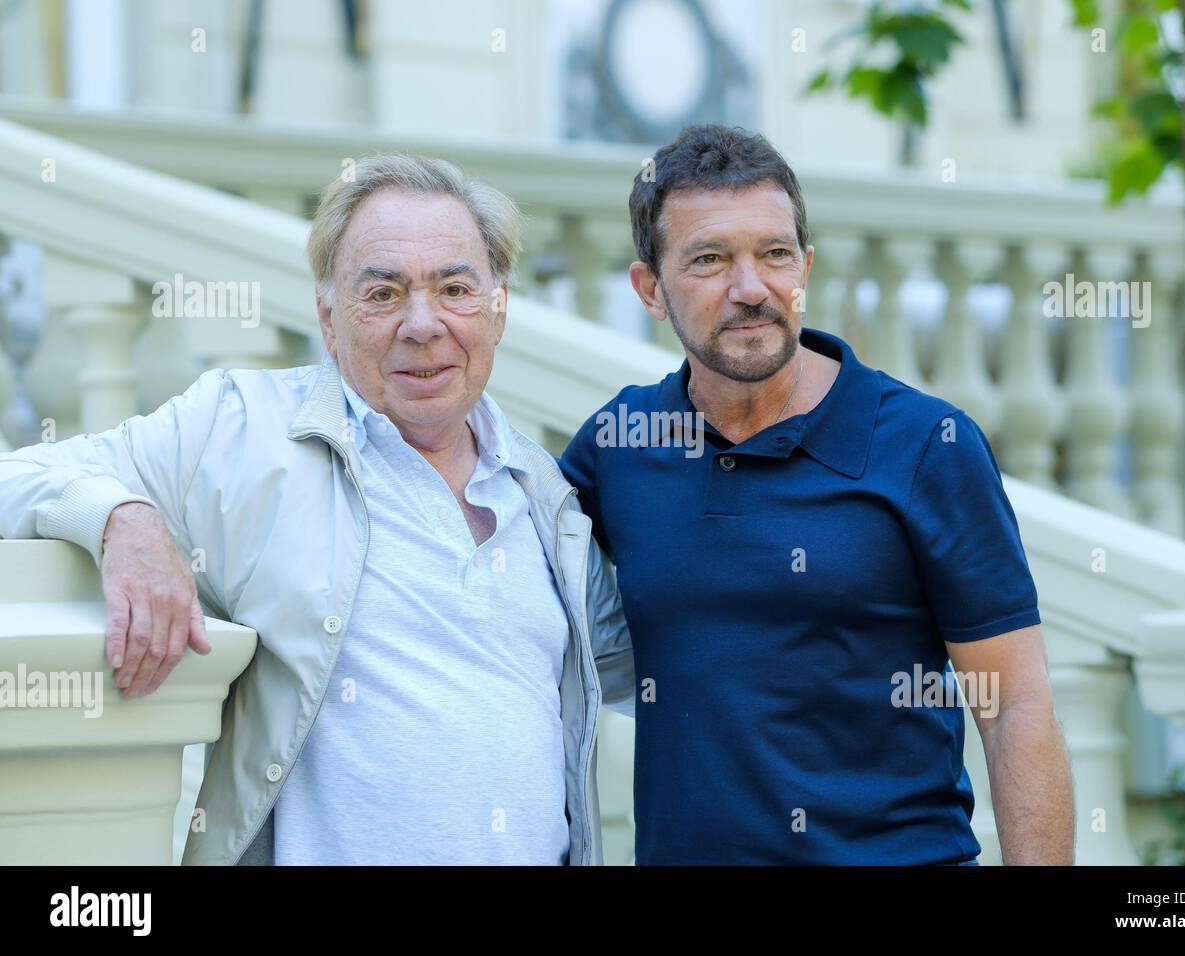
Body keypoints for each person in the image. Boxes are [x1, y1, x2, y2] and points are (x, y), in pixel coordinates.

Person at [0, 154, 633, 865]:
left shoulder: (542, 492)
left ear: (498, 308)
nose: (422, 324)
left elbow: (644, 666)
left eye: (454, 288)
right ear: (330, 321)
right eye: (384, 294)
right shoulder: (241, 431)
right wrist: (123, 520)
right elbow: (16, 476)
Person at [560, 124, 1075, 865]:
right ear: (650, 289)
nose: (750, 288)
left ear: (805, 266)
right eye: (709, 260)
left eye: (774, 254)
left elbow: (1015, 706)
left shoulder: (928, 446)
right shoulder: (623, 443)